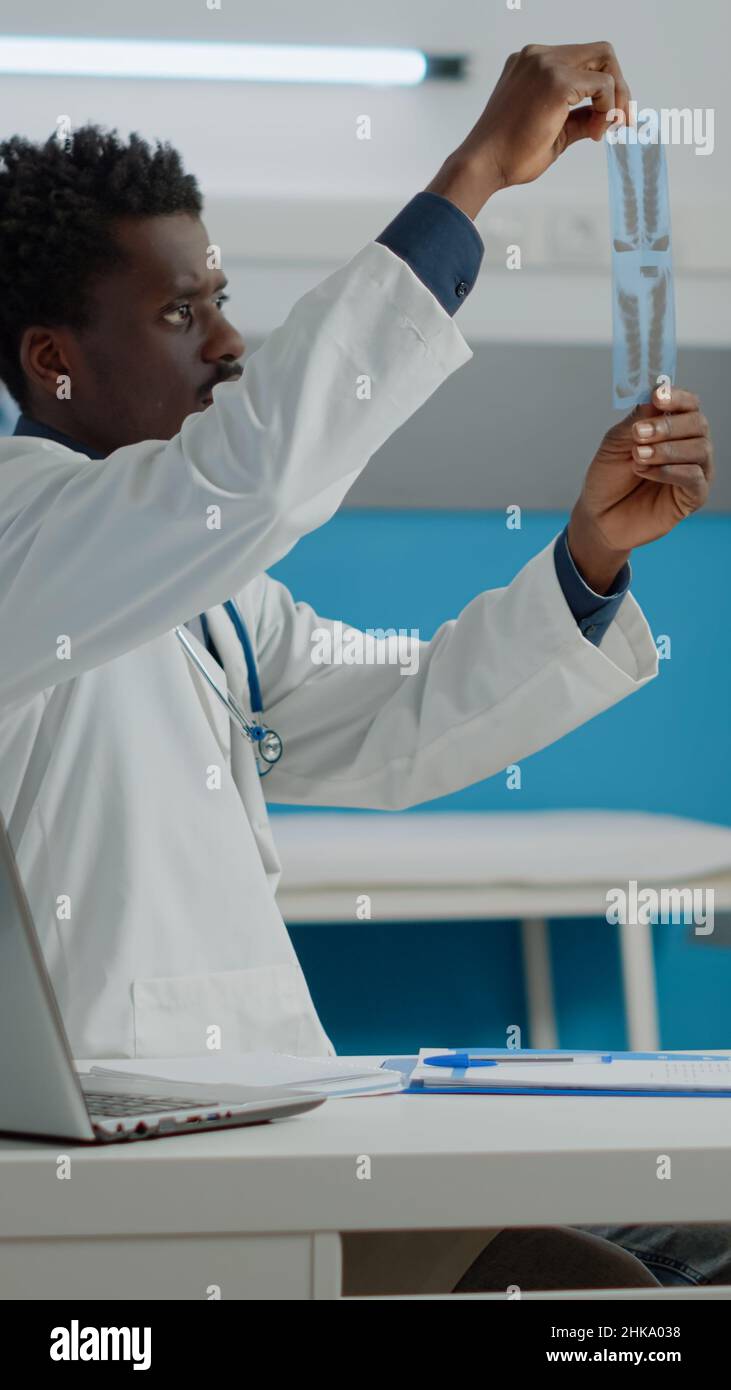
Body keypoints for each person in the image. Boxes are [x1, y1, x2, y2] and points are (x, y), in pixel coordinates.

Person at [0, 41, 720, 1295]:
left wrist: (588, 557)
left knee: (692, 1249)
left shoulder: (197, 589)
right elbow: (258, 474)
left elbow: (398, 717)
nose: (228, 341)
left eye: (219, 296)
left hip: (273, 1131)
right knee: (609, 1305)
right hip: (129, 1195)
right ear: (53, 360)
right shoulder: (27, 542)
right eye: (181, 312)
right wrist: (477, 171)